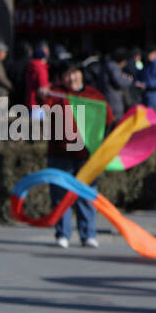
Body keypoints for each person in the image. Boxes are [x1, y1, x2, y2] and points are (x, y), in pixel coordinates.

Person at [48, 64, 98, 249]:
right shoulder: (55, 93)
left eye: (75, 73)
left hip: (86, 153)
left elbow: (106, 116)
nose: (72, 78)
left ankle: (88, 234)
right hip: (60, 152)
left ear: (81, 75)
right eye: (67, 74)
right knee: (60, 195)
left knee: (86, 194)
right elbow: (43, 109)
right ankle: (63, 234)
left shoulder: (93, 94)